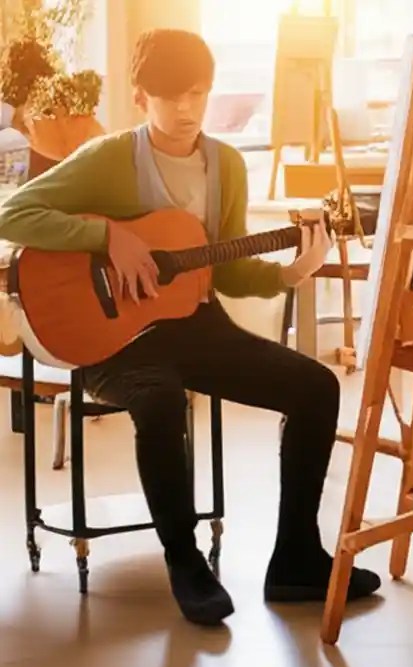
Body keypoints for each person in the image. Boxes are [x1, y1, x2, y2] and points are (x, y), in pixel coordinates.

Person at [0, 30, 382, 626]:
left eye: (198, 94)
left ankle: (297, 562)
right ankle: (185, 562)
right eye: (171, 97)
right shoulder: (110, 160)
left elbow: (224, 272)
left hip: (197, 326)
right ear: (139, 98)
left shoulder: (225, 165)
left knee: (317, 387)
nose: (186, 110)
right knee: (160, 400)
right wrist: (107, 237)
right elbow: (12, 212)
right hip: (113, 340)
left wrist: (292, 273)